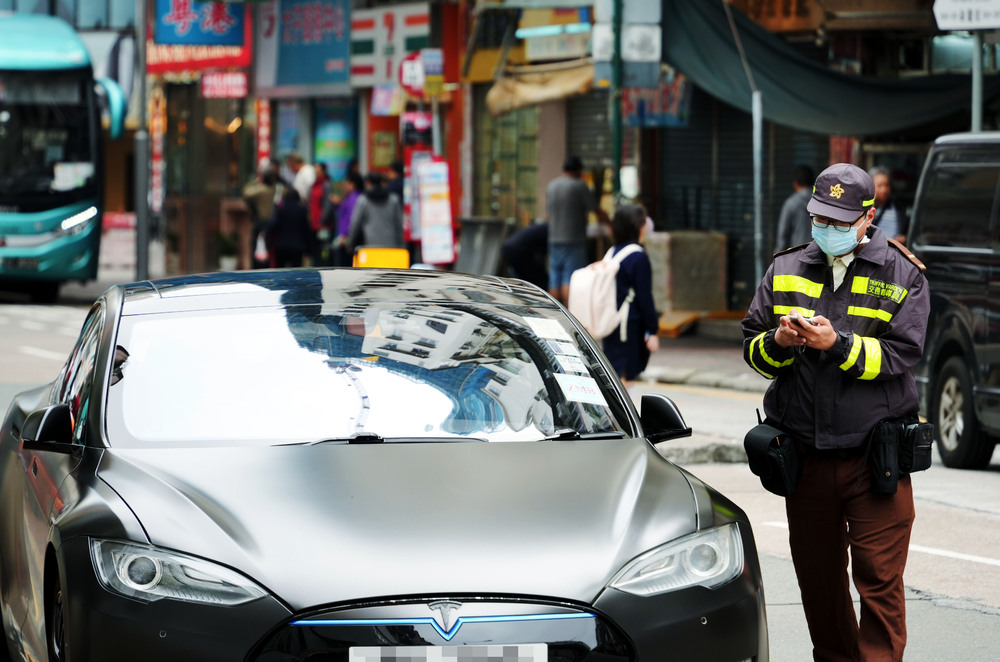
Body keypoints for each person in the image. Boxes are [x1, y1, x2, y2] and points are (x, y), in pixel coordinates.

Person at [742, 163, 930, 662]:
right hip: (805, 457)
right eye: (819, 217)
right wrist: (779, 342)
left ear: (869, 217)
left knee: (879, 580)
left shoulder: (902, 275)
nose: (827, 229)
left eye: (840, 221)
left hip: (876, 461)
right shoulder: (784, 269)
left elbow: (902, 356)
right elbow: (753, 351)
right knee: (819, 582)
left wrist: (838, 345)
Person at [601, 204, 659, 385]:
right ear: (638, 226)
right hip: (629, 326)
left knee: (614, 375)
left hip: (611, 323)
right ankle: (625, 414)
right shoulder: (638, 256)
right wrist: (654, 330)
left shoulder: (611, 253)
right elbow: (645, 297)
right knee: (627, 377)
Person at [546, 155, 604, 304]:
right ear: (579, 170)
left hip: (554, 238)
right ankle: (570, 316)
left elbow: (549, 214)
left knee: (555, 278)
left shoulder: (552, 186)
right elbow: (595, 209)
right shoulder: (579, 186)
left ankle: (554, 314)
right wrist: (610, 222)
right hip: (573, 239)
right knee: (570, 278)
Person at [349, 172, 404, 251]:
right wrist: (402, 245)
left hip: (370, 247)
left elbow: (355, 222)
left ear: (368, 183)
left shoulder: (363, 200)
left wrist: (351, 242)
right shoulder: (393, 199)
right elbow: (400, 224)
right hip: (392, 246)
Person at [265, 188, 313, 268]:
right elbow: (306, 231)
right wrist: (309, 250)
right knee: (296, 272)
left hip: (281, 245)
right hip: (297, 247)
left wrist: (267, 236)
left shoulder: (280, 207)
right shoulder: (302, 210)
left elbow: (273, 224)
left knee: (280, 271)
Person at [242, 162, 278, 269]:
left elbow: (246, 192)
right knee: (268, 249)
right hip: (271, 222)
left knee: (256, 248)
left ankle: (257, 268)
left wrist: (255, 182)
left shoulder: (262, 190)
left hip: (260, 222)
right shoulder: (274, 188)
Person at [774, 164, 815, 252]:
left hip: (798, 256)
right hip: (820, 256)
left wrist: (778, 259)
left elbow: (783, 236)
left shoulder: (791, 203)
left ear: (795, 183)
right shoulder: (821, 203)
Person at [501, 221, 549, 290]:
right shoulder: (548, 230)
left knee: (527, 277)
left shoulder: (541, 227)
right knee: (539, 279)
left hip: (508, 248)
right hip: (518, 251)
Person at [869, 165, 908, 243]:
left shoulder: (898, 208)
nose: (884, 190)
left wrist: (904, 238)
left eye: (886, 185)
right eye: (879, 186)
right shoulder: (865, 209)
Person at [334, 172, 364, 266]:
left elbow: (351, 219)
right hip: (347, 238)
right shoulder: (352, 197)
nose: (344, 186)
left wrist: (346, 237)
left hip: (347, 239)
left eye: (346, 183)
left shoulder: (354, 198)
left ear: (352, 184)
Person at [309, 162, 334, 265]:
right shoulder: (315, 184)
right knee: (315, 251)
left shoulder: (326, 185)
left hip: (323, 225)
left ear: (323, 171)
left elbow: (328, 204)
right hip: (314, 224)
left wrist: (321, 220)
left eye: (318, 170)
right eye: (315, 170)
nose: (316, 172)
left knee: (324, 251)